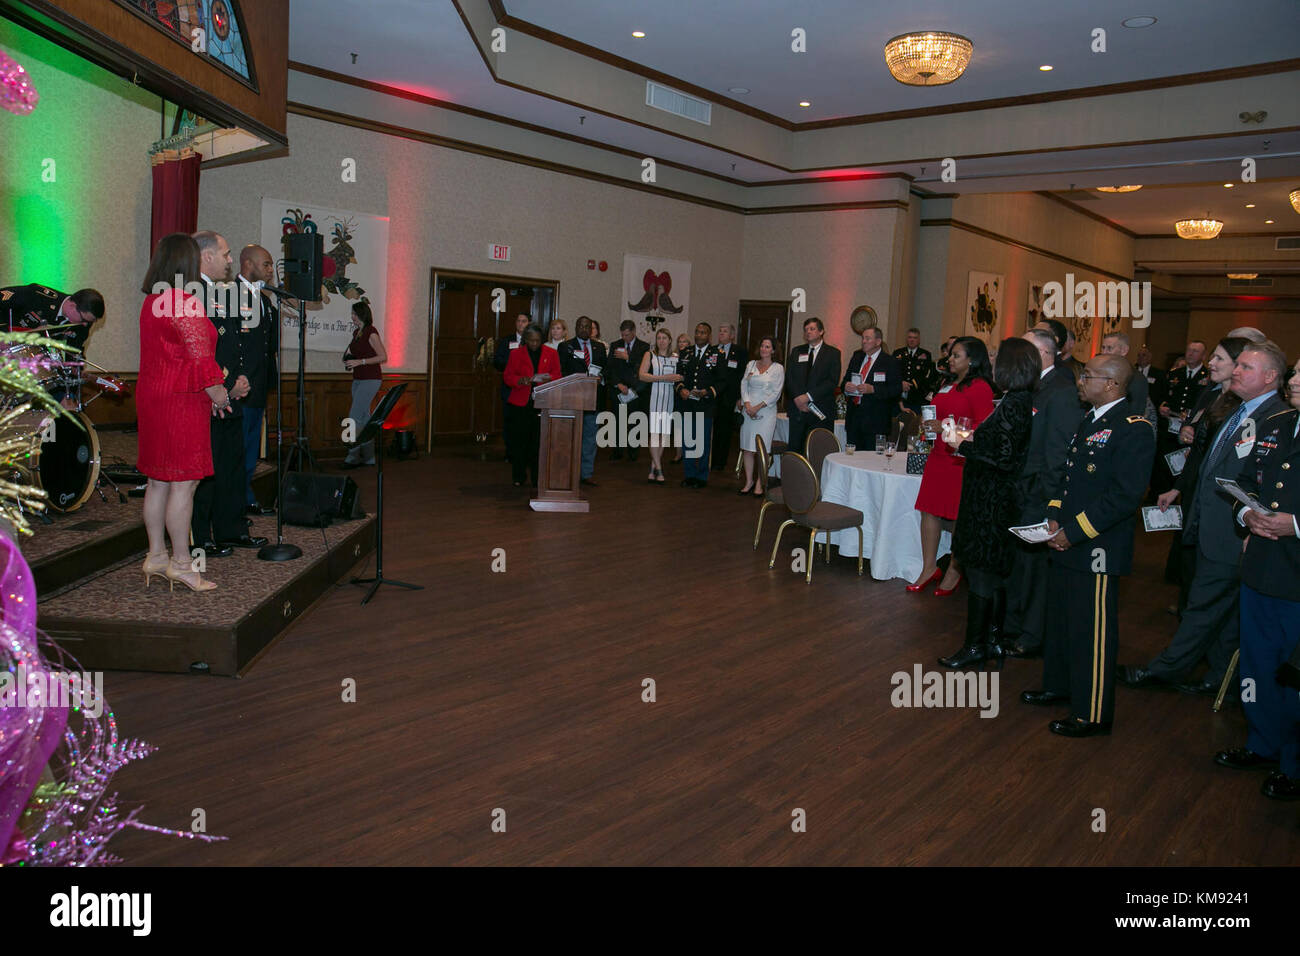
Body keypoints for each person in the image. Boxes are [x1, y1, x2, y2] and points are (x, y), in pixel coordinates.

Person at [1124, 340, 1289, 694]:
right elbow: (1211, 464)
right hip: (1210, 521)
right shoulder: (1238, 408)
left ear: (1271, 377)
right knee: (1222, 610)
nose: (1237, 371)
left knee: (1203, 604)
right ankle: (1219, 678)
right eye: (1238, 364)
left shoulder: (1275, 418)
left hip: (1234, 530)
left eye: (1246, 367)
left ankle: (1166, 670)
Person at [1022, 354, 1155, 737]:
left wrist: (1073, 531)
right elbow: (1069, 479)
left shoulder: (1133, 428)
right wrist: (1053, 515)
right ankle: (1059, 686)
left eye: (1087, 377)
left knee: (1091, 631)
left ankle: (1092, 712)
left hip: (1097, 547)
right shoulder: (1091, 419)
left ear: (1111, 384)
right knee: (1063, 621)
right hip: (1067, 539)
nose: (1080, 382)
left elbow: (1124, 497)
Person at [1218, 360, 1300, 800]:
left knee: (1295, 675)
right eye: (1296, 372)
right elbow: (1243, 481)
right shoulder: (1276, 423)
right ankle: (1262, 742)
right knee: (1257, 664)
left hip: (1297, 576)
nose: (1296, 381)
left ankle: (1294, 763)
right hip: (1261, 568)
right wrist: (1246, 512)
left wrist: (1298, 525)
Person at [937, 337, 1039, 669]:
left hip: (991, 501)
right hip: (994, 498)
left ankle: (975, 645)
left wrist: (960, 444)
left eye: (997, 358)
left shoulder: (1013, 404)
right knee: (991, 575)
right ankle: (993, 639)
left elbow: (1005, 457)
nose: (992, 362)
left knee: (981, 574)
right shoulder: (1016, 400)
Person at [136, 233, 229, 593]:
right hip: (180, 401)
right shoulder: (182, 302)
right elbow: (201, 357)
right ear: (186, 263)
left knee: (158, 481)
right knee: (184, 484)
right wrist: (220, 396)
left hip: (154, 396)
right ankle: (181, 564)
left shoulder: (154, 301)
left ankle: (156, 556)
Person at [1003, 328, 1084, 659]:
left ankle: (1033, 633)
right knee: (1020, 564)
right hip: (1020, 487)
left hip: (1039, 490)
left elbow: (1058, 454)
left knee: (1036, 568)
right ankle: (1014, 623)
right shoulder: (1029, 387)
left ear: (1044, 355)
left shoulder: (1062, 391)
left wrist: (1052, 503)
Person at [1156, 337, 1250, 618]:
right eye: (1214, 357)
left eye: (1220, 359)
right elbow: (1197, 445)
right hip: (1194, 485)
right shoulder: (1210, 394)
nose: (1212, 363)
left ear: (1237, 366)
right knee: (1189, 554)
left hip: (1216, 494)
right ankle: (1188, 608)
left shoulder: (1241, 405)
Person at [190, 231, 265, 555]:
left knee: (231, 467)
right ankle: (201, 537)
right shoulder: (192, 295)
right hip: (209, 395)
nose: (230, 260)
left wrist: (240, 379)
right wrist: (226, 384)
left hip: (230, 392)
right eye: (226, 253)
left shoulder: (220, 294)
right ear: (206, 256)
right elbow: (201, 352)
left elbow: (233, 343)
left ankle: (230, 529)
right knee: (208, 472)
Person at [908, 337, 995, 595]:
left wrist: (946, 428)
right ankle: (928, 567)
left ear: (972, 359)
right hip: (938, 456)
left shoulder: (980, 387)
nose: (950, 359)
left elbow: (984, 430)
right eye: (950, 355)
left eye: (956, 355)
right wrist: (930, 427)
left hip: (960, 461)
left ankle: (954, 569)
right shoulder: (946, 384)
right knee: (928, 511)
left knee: (958, 516)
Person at [0, 283, 106, 406]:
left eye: (89, 322)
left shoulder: (82, 324)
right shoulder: (36, 295)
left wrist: (75, 377)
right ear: (72, 306)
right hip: (7, 354)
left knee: (65, 406)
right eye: (84, 320)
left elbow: (73, 354)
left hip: (33, 367)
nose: (85, 325)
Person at [235, 245, 278, 514]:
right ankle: (234, 499)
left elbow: (268, 345)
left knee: (251, 446)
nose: (271, 270)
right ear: (248, 264)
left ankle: (246, 495)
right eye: (266, 264)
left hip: (260, 385)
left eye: (272, 265)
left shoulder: (265, 300)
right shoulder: (229, 296)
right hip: (240, 386)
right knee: (236, 447)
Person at [502, 325, 561, 487]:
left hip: (542, 403)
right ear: (526, 340)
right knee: (520, 441)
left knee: (538, 443)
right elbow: (508, 376)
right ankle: (518, 476)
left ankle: (537, 478)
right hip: (521, 403)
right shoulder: (516, 354)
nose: (534, 344)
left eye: (537, 340)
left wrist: (548, 378)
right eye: (531, 340)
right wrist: (519, 381)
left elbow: (558, 374)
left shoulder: (551, 353)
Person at [1154, 340, 1210, 495]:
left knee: (1184, 472)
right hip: (1170, 431)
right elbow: (1160, 396)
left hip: (1190, 434)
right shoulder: (1174, 374)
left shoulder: (1208, 377)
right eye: (1189, 350)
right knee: (1163, 469)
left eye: (1196, 351)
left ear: (1203, 355)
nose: (1191, 354)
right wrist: (1161, 406)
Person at [558, 316, 606, 486]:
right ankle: (568, 472)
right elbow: (562, 371)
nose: (584, 329)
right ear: (576, 327)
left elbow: (605, 370)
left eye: (587, 327)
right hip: (573, 399)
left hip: (593, 400)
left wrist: (601, 378)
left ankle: (586, 474)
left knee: (589, 440)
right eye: (581, 326)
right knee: (570, 439)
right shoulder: (566, 346)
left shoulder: (599, 347)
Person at [784, 317, 841, 460]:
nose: (808, 332)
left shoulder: (833, 353)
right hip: (797, 410)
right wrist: (798, 398)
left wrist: (808, 396)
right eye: (806, 330)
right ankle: (795, 481)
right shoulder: (797, 351)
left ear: (821, 331)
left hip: (820, 411)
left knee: (817, 451)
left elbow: (831, 382)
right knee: (795, 450)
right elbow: (789, 377)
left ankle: (816, 482)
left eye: (812, 329)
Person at [342, 302, 388, 468]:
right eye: (352, 314)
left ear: (362, 314)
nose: (352, 317)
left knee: (353, 416)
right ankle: (369, 457)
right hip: (358, 379)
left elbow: (383, 357)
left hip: (371, 378)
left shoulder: (371, 332)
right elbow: (351, 354)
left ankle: (352, 456)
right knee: (364, 418)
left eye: (354, 314)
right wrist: (349, 358)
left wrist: (360, 361)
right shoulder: (357, 333)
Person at [842, 325, 901, 451]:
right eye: (863, 338)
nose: (863, 341)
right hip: (854, 420)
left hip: (876, 423)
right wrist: (846, 386)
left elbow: (896, 390)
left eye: (868, 338)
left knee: (871, 461)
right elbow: (844, 382)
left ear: (878, 342)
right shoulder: (857, 357)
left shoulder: (889, 362)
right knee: (853, 460)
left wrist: (873, 390)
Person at [738, 335, 784, 495]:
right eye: (763, 346)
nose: (764, 349)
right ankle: (749, 480)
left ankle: (760, 482)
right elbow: (744, 384)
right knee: (747, 448)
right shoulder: (751, 364)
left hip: (766, 412)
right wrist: (747, 403)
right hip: (748, 410)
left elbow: (776, 392)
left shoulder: (778, 368)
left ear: (773, 350)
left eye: (768, 347)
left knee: (761, 449)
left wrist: (758, 406)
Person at [677, 322, 721, 488]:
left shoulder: (717, 353)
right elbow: (679, 375)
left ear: (708, 336)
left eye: (703, 333)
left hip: (705, 405)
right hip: (688, 404)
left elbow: (722, 380)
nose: (699, 335)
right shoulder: (686, 352)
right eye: (697, 332)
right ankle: (689, 475)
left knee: (702, 443)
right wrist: (681, 389)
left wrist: (708, 391)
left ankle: (702, 476)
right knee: (688, 442)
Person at [638, 328, 683, 483]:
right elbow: (642, 375)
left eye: (664, 338)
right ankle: (659, 468)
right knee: (654, 434)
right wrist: (664, 377)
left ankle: (652, 469)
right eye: (659, 338)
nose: (661, 341)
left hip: (670, 398)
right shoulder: (650, 354)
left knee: (663, 435)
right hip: (653, 398)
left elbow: (681, 376)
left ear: (670, 340)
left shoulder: (676, 357)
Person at [607, 319, 648, 462]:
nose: (624, 338)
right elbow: (610, 368)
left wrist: (628, 357)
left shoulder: (644, 347)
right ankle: (617, 451)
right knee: (618, 422)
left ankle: (633, 452)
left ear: (634, 332)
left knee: (635, 422)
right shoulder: (615, 345)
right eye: (622, 335)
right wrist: (618, 384)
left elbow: (642, 368)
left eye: (627, 335)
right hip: (619, 389)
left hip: (635, 390)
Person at [493, 313, 530, 463]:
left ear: (529, 323)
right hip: (510, 388)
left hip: (527, 389)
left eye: (524, 321)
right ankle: (510, 453)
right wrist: (512, 362)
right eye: (519, 321)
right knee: (510, 423)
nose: (521, 324)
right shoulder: (507, 340)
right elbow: (497, 361)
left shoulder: (533, 341)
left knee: (525, 423)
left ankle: (525, 453)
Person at [710, 324, 748, 472]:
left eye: (725, 331)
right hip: (714, 396)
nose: (721, 333)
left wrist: (740, 397)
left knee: (725, 430)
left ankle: (720, 462)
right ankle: (710, 459)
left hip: (730, 397)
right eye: (720, 331)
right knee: (712, 429)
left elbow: (742, 376)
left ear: (732, 335)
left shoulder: (740, 352)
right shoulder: (712, 350)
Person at [1100, 331, 1149, 421]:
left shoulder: (1136, 378)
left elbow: (1134, 414)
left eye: (1109, 348)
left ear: (1124, 351)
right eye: (1103, 348)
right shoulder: (1099, 373)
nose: (1104, 352)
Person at [893, 327, 934, 414]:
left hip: (917, 396)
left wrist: (911, 384)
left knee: (913, 423)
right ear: (906, 339)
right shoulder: (898, 353)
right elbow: (893, 372)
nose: (912, 340)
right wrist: (901, 383)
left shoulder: (925, 354)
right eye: (910, 337)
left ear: (919, 340)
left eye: (915, 338)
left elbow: (926, 374)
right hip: (898, 394)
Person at [671, 332, 692, 463]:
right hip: (675, 394)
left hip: (686, 393)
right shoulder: (673, 356)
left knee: (687, 425)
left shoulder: (692, 357)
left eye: (684, 342)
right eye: (679, 341)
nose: (681, 344)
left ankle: (687, 452)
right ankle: (678, 453)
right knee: (677, 425)